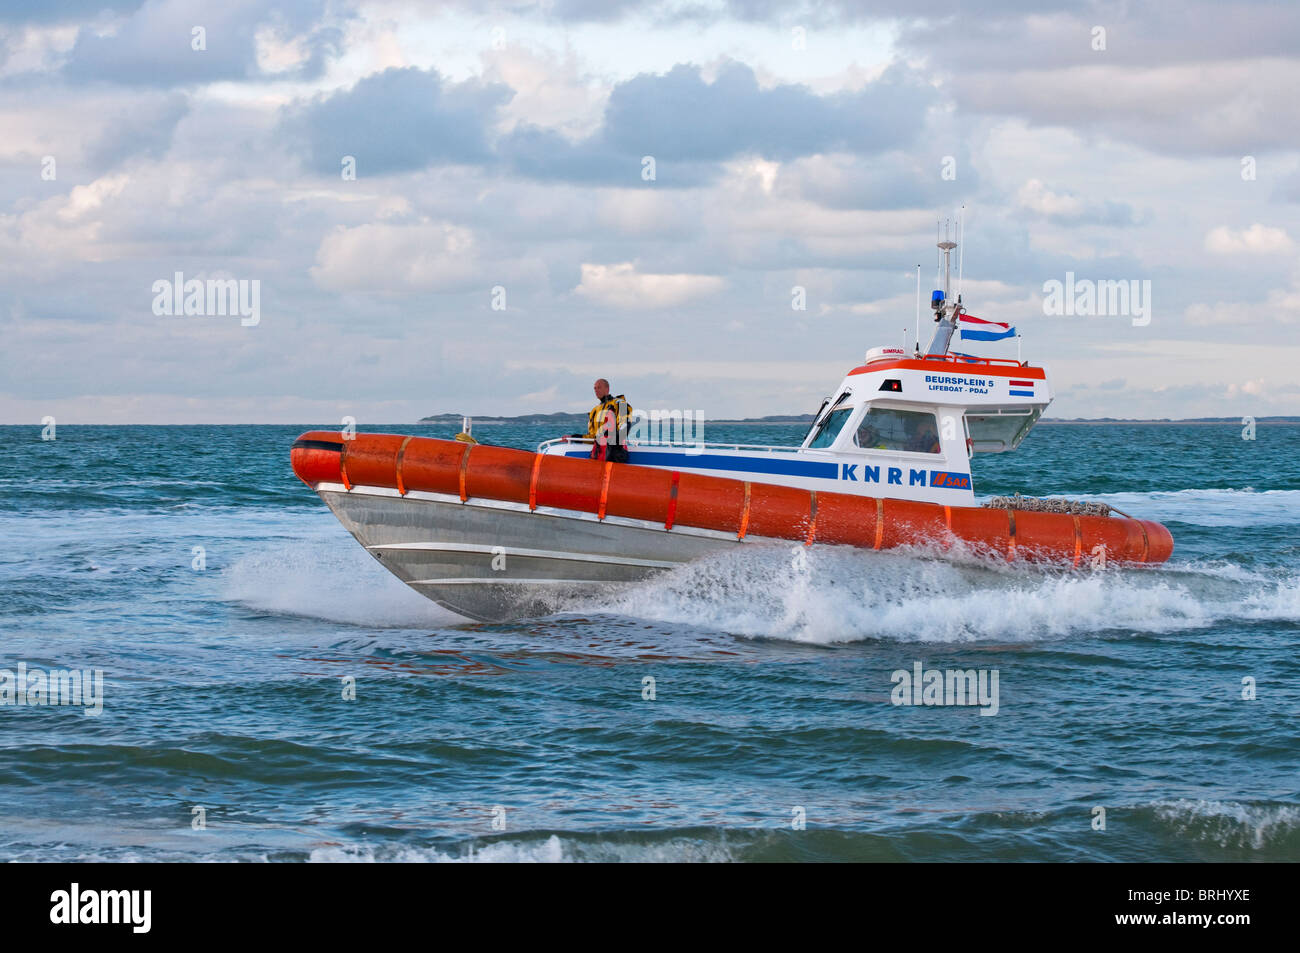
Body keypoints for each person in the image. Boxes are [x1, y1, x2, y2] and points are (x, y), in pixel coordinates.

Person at [585, 379, 633, 462]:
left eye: (599, 387)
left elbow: (625, 424)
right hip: (598, 453)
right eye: (595, 388)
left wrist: (616, 445)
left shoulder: (620, 403)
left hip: (614, 453)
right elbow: (592, 436)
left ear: (607, 389)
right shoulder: (594, 411)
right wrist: (573, 438)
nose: (596, 390)